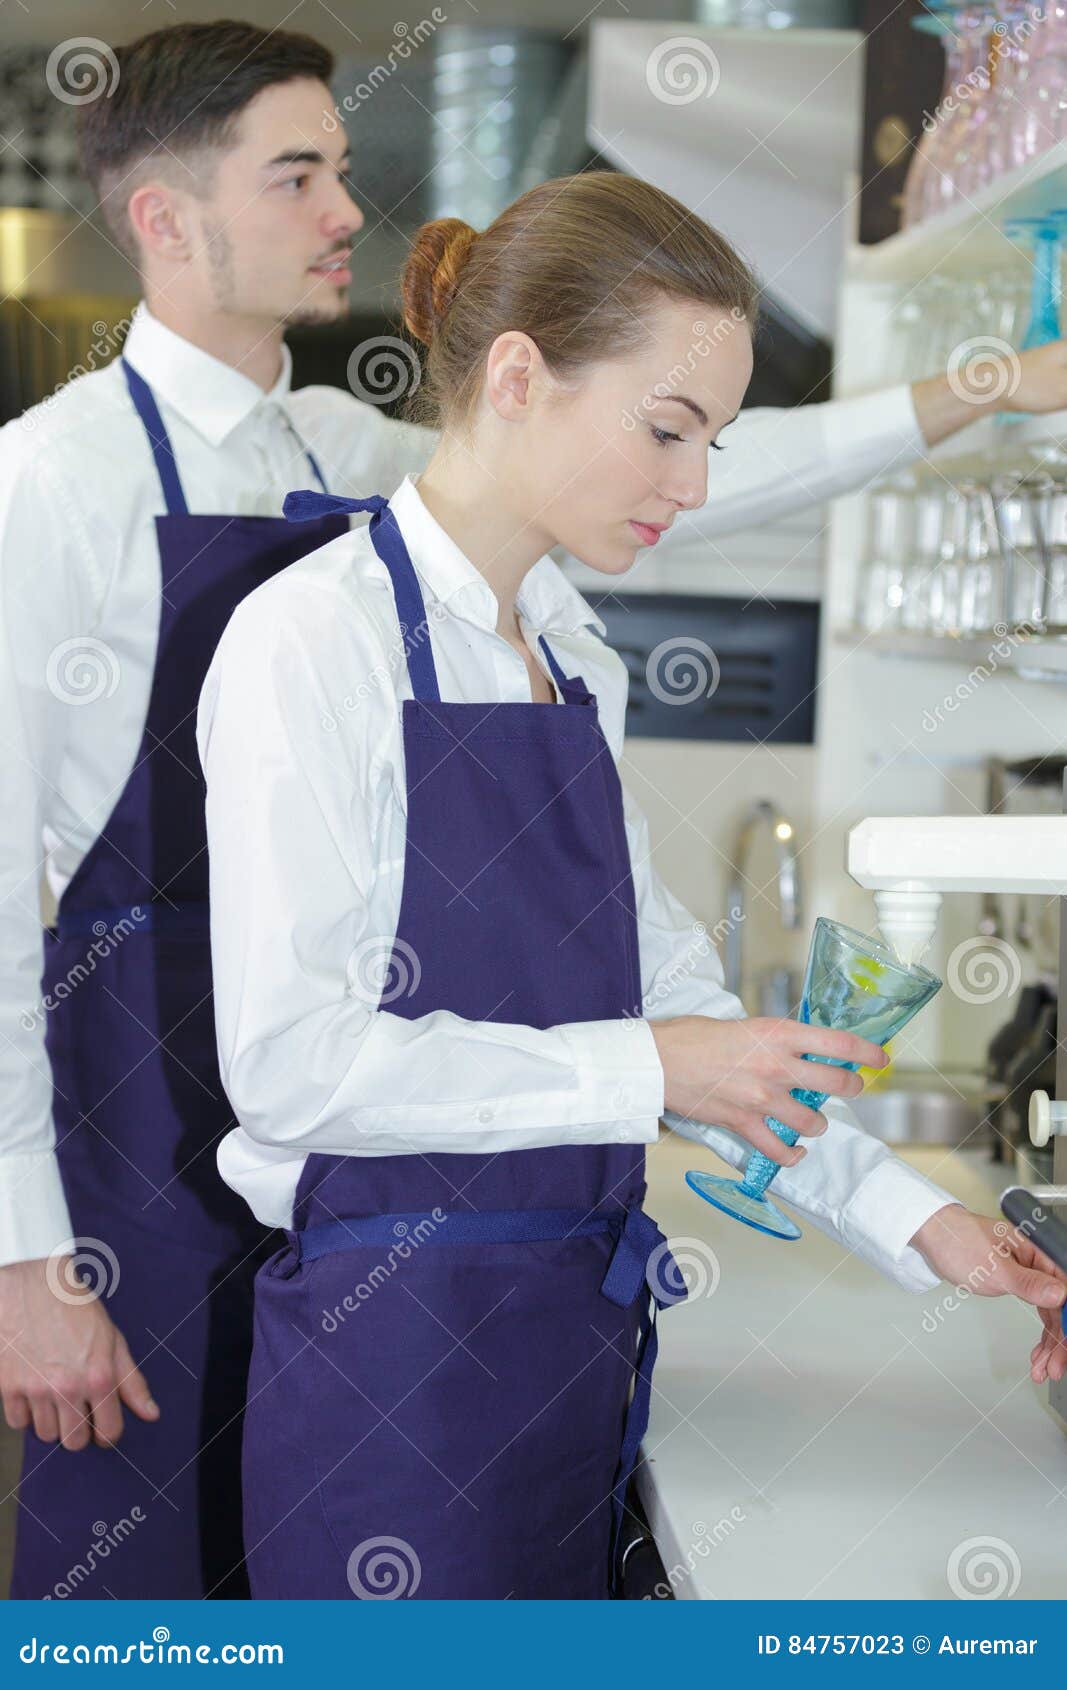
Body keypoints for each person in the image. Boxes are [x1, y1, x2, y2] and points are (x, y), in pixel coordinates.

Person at [4, 17, 1067, 1602]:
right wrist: (25, 1247)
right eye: (666, 435)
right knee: (134, 1597)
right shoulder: (245, 590)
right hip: (299, 1267)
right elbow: (300, 1062)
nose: (695, 485)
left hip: (556, 1324)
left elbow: (664, 981)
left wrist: (914, 1218)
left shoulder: (546, 623)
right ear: (510, 374)